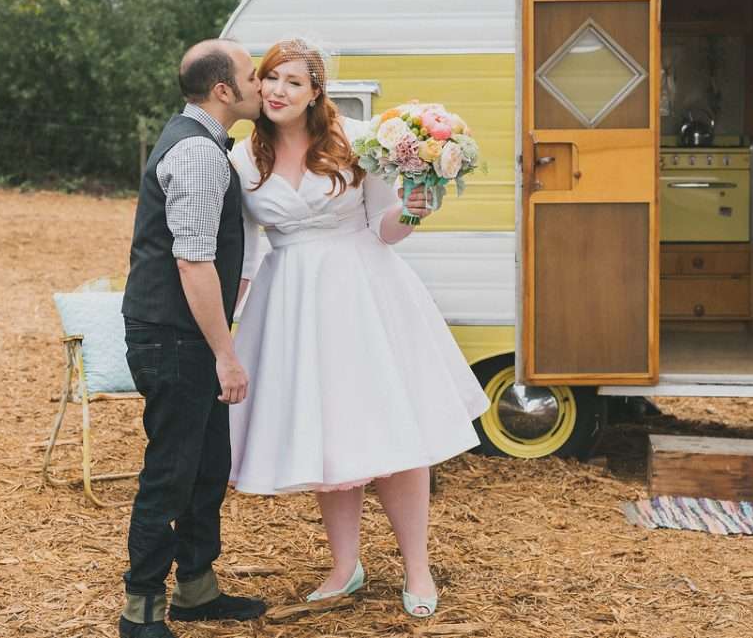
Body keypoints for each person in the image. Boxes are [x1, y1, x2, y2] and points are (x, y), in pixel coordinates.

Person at [228, 39, 491, 619]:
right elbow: (245, 256)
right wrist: (223, 336)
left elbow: (383, 227)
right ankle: (345, 567)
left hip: (366, 295)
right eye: (271, 78)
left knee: (396, 433)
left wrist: (416, 210)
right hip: (292, 305)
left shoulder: (357, 141)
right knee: (329, 434)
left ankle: (417, 568)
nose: (278, 90)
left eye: (294, 82)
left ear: (316, 92)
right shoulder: (242, 158)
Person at [119, 39, 267, 638]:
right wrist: (225, 354)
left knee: (208, 465)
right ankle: (142, 608)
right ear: (224, 91)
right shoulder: (200, 155)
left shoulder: (201, 141)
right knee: (172, 471)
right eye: (253, 76)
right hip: (175, 339)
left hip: (183, 337)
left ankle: (196, 589)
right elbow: (193, 264)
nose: (262, 86)